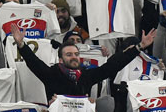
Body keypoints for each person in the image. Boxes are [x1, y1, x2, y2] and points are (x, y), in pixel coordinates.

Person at [9, 25, 156, 101]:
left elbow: (111, 66)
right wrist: (21, 45)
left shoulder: (85, 75)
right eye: (69, 55)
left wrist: (139, 47)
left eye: (76, 54)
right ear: (60, 59)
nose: (74, 57)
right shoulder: (52, 74)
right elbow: (34, 63)